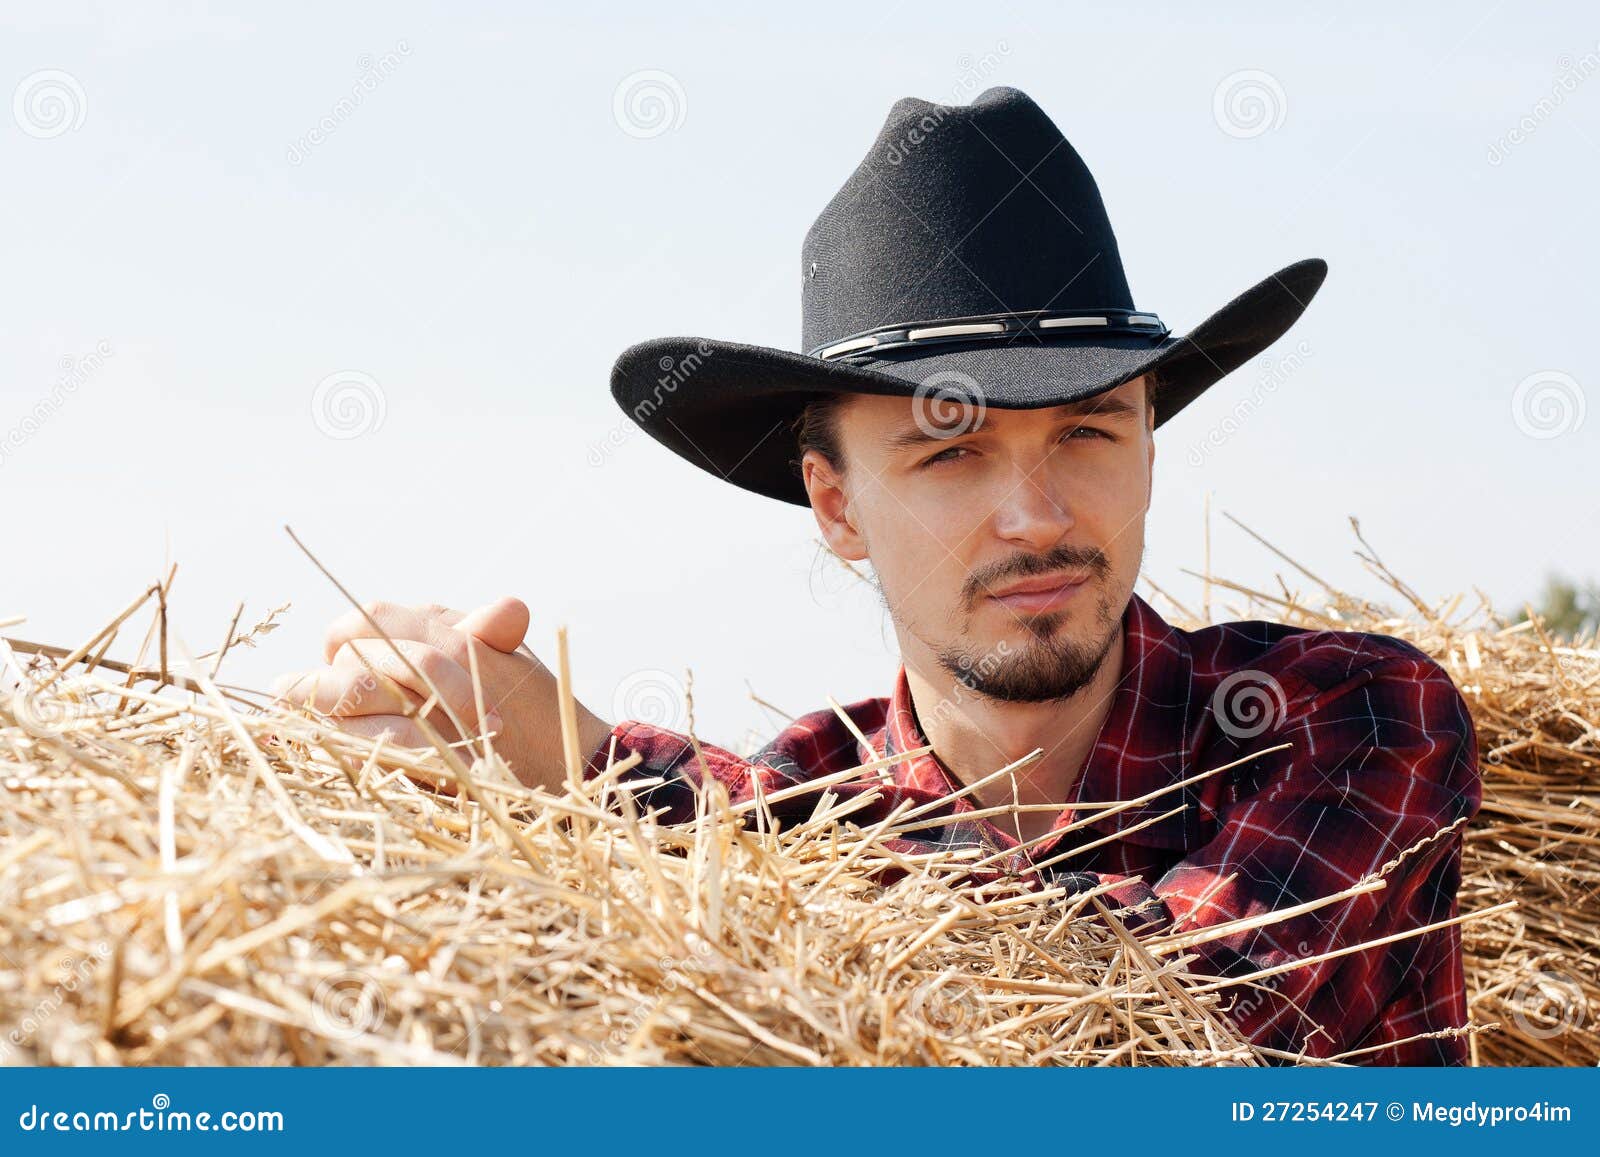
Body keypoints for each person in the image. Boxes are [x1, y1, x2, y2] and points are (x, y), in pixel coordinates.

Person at [274, 87, 1481, 1064]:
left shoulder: (1351, 711)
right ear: (837, 505)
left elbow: (1142, 1034)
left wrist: (604, 776)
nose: (1037, 514)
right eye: (951, 451)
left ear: (1150, 453)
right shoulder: (798, 785)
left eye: (1087, 429)